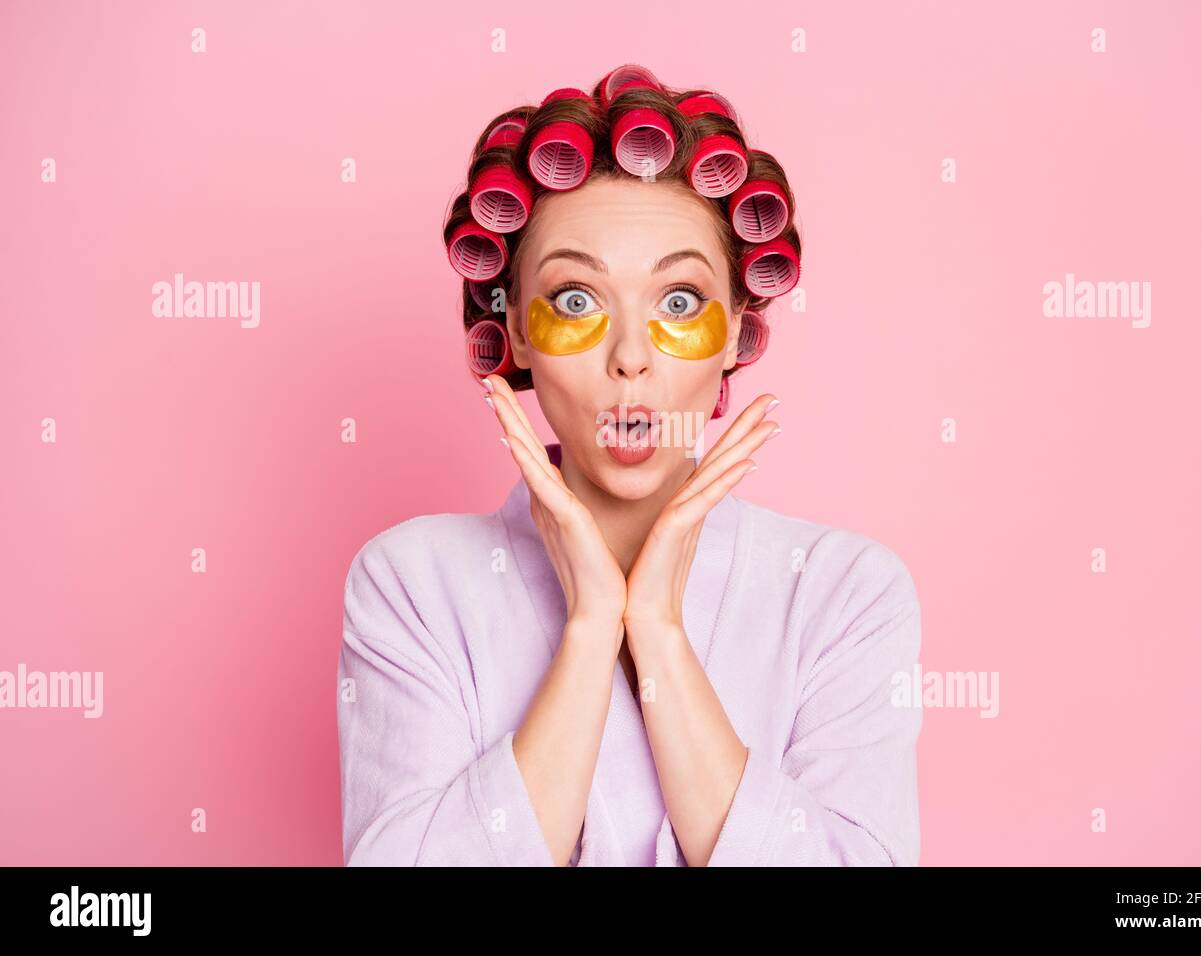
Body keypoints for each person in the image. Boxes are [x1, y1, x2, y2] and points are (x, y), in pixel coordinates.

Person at [337, 64, 922, 866]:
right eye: (576, 299)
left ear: (733, 337)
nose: (631, 360)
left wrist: (659, 630)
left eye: (678, 302)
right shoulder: (410, 584)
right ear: (514, 335)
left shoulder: (844, 592)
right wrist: (589, 629)